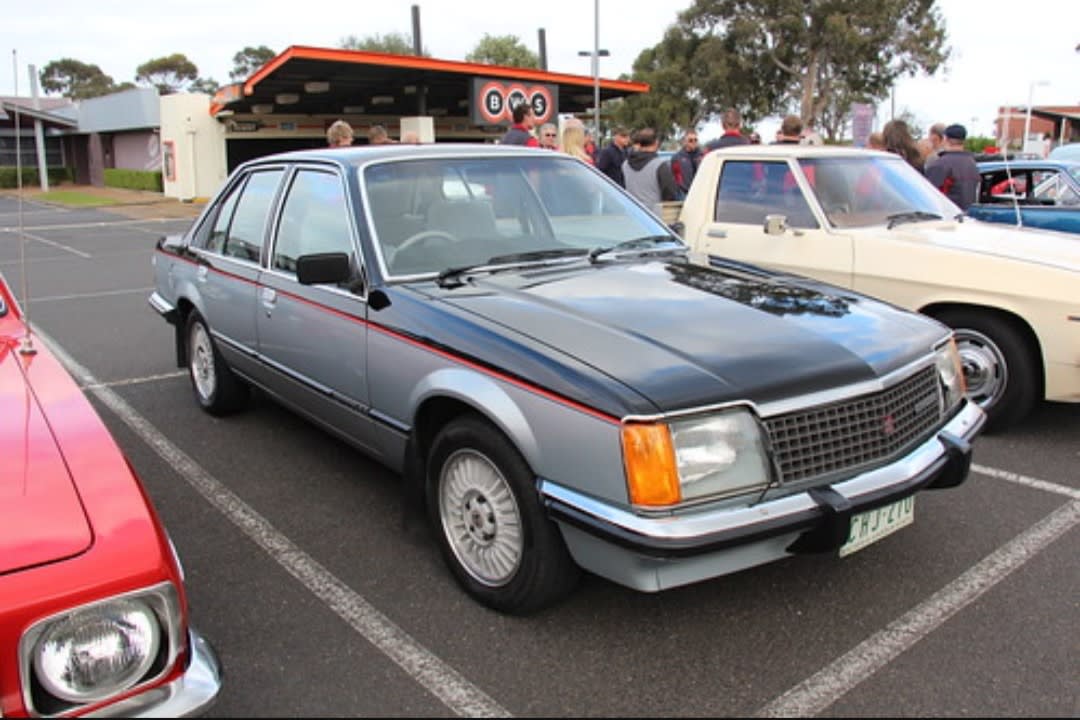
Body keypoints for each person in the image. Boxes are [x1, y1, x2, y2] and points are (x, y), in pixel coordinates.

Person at [621, 127, 679, 213]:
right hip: (653, 217)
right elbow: (670, 194)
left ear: (639, 143)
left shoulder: (625, 165)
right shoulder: (660, 165)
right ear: (656, 143)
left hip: (632, 213)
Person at [924, 123, 980, 210]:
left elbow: (926, 195)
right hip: (968, 217)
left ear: (945, 139)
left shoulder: (940, 164)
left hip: (947, 216)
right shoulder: (972, 163)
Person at [670, 130, 703, 198]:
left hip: (700, 191)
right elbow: (675, 177)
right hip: (684, 193)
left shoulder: (703, 156)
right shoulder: (677, 158)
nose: (693, 142)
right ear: (685, 142)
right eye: (690, 140)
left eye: (695, 140)